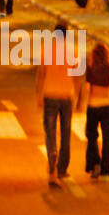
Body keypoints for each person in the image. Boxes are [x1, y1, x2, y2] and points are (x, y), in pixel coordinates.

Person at [36, 23, 82, 187]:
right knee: (66, 133)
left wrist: (38, 95)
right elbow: (77, 77)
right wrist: (78, 97)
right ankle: (62, 168)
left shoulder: (47, 50)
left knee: (50, 132)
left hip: (50, 95)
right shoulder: (73, 51)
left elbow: (41, 74)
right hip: (67, 96)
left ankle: (52, 159)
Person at [78, 42, 109, 179]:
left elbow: (87, 88)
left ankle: (95, 163)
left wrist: (81, 104)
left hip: (93, 106)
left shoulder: (90, 69)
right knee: (108, 139)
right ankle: (106, 169)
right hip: (107, 106)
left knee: (92, 137)